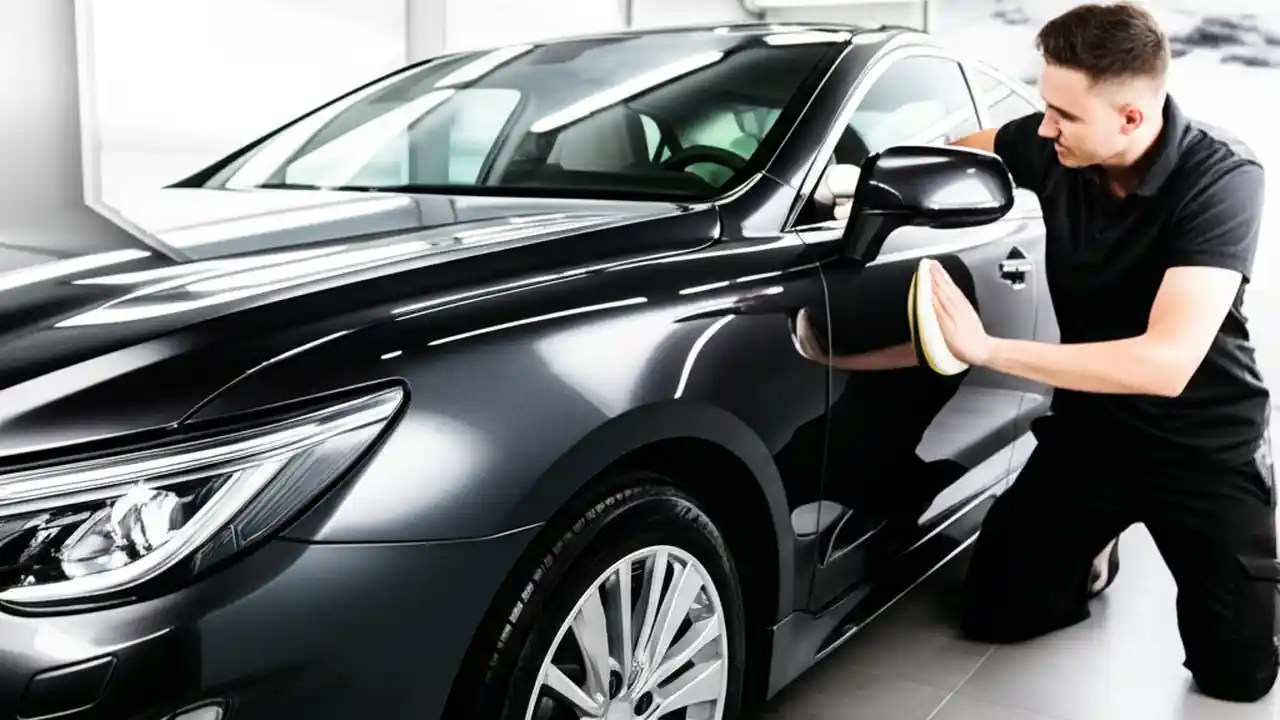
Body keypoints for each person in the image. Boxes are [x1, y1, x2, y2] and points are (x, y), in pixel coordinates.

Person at [935, 1, 1278, 703]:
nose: (1044, 126)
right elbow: (946, 159)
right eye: (1044, 106)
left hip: (1203, 446)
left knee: (1238, 678)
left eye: (1064, 113)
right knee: (993, 614)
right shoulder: (1048, 142)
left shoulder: (1224, 175)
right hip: (1092, 435)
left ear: (1129, 118)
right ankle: (1095, 556)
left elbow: (1166, 362)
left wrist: (988, 348)